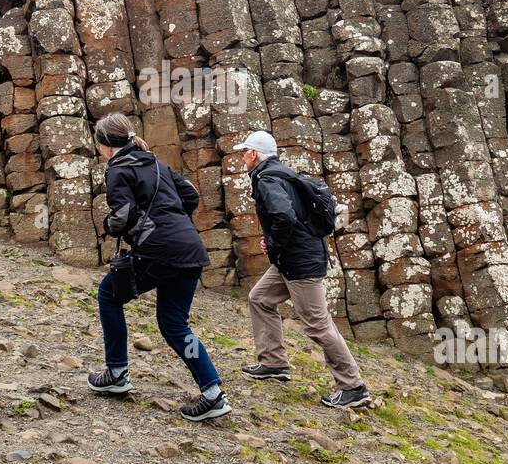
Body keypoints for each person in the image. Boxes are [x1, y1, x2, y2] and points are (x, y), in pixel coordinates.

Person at [87, 113, 230, 422]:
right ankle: (212, 393)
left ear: (104, 145)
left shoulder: (118, 170)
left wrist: (114, 225)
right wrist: (173, 222)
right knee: (174, 324)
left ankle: (116, 372)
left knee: (109, 295)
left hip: (159, 251)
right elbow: (190, 194)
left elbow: (122, 215)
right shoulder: (155, 162)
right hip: (190, 248)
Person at [234, 130, 372, 408]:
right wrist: (275, 244)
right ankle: (273, 363)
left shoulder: (267, 178)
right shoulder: (280, 173)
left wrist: (272, 244)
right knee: (260, 299)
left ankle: (353, 387)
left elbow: (284, 217)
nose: (242, 157)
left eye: (244, 152)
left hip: (299, 262)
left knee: (317, 325)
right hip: (292, 258)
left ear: (254, 154)